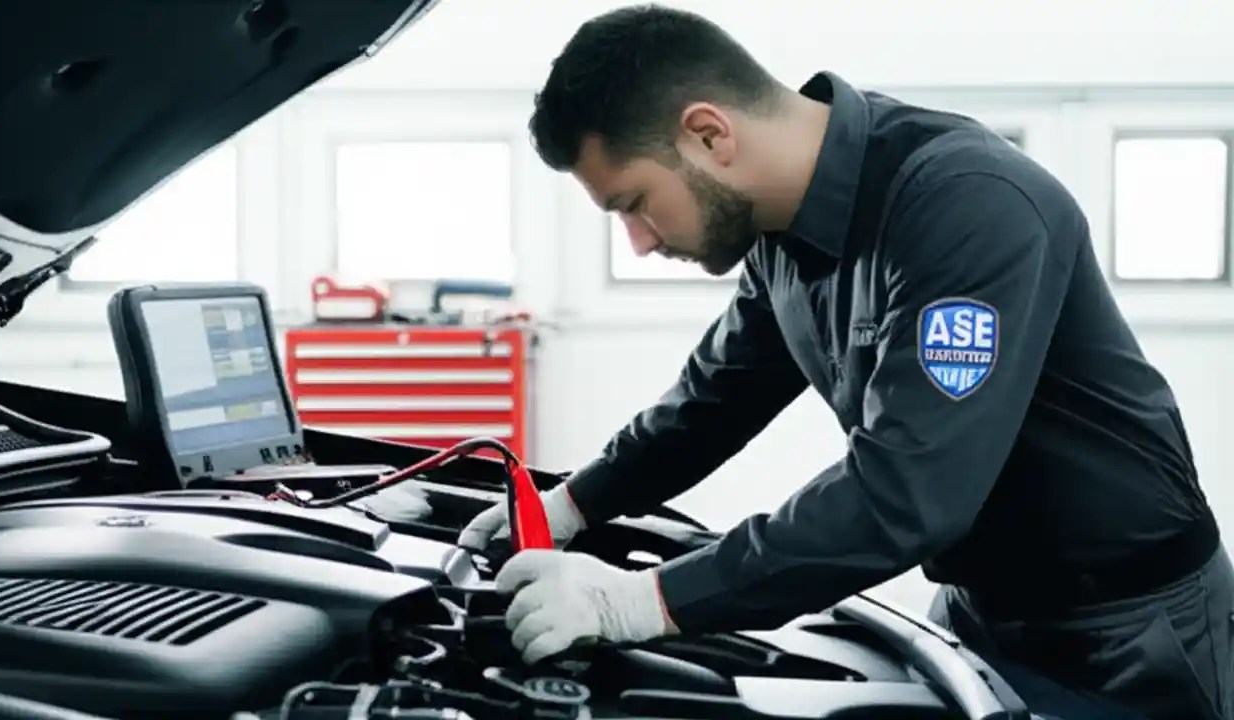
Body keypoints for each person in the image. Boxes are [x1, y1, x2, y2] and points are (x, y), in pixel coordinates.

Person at [458, 5, 1233, 719]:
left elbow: (904, 493)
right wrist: (572, 504)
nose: (642, 241)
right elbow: (711, 400)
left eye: (632, 203)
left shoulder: (966, 202)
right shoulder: (781, 238)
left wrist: (642, 601)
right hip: (975, 609)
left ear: (708, 135)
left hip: (1131, 636)